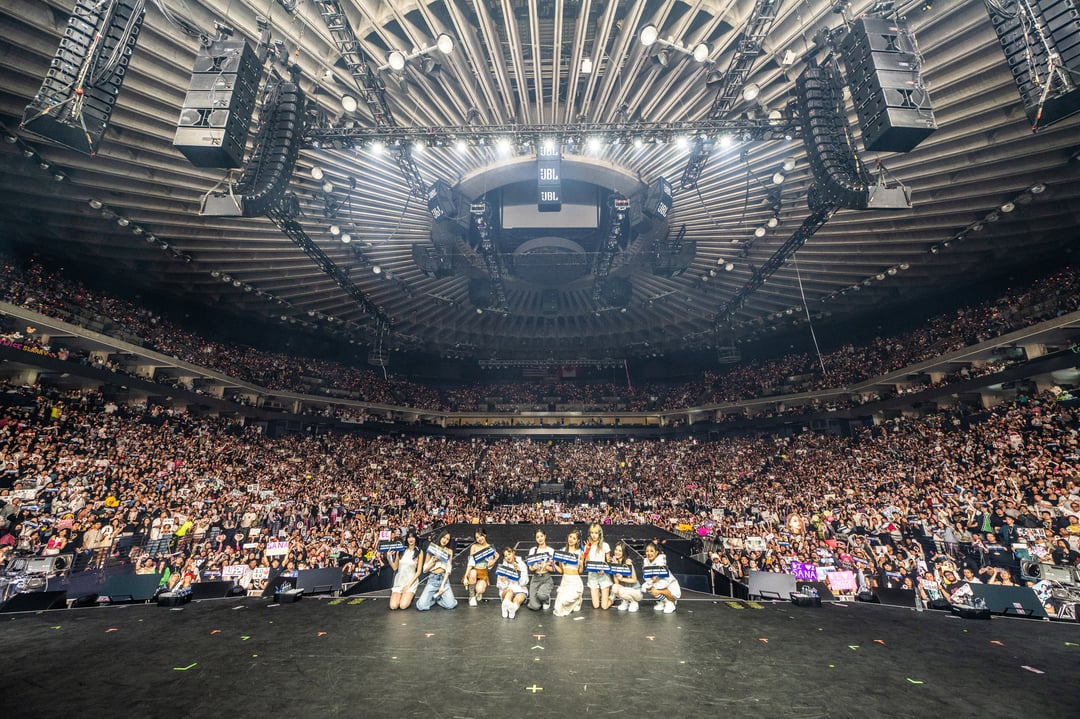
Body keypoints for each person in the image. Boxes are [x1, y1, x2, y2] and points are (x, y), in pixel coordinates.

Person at [416, 529, 457, 611]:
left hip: (443, 580)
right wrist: (433, 562)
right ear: (440, 537)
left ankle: (439, 599)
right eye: (444, 537)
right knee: (421, 606)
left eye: (447, 539)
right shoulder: (432, 549)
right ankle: (434, 599)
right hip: (432, 579)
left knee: (451, 605)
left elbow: (448, 569)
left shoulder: (449, 551)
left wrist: (442, 586)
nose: (445, 540)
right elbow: (425, 570)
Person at [551, 528, 584, 617]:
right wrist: (553, 564)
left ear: (577, 540)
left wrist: (581, 564)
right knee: (558, 608)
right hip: (565, 582)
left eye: (574, 538)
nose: (571, 539)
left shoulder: (580, 552)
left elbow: (580, 571)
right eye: (570, 537)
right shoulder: (562, 552)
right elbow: (561, 571)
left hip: (575, 582)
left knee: (566, 602)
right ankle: (575, 601)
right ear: (567, 537)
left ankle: (578, 599)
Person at [388, 530, 423, 610]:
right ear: (406, 539)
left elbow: (418, 572)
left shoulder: (419, 552)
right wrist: (388, 558)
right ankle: (400, 595)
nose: (411, 539)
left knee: (403, 606)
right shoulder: (400, 550)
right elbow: (395, 567)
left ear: (415, 539)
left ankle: (410, 595)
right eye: (409, 537)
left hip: (410, 583)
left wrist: (408, 586)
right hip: (399, 581)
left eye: (413, 537)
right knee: (393, 606)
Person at [642, 541, 681, 613]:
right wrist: (651, 582)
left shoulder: (661, 562)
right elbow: (646, 575)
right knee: (649, 588)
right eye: (647, 551)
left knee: (654, 590)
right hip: (658, 584)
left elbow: (665, 580)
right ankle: (662, 602)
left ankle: (669, 603)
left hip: (670, 587)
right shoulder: (646, 561)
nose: (649, 553)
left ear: (656, 552)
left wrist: (654, 582)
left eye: (651, 551)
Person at [463, 527, 496, 606]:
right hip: (473, 571)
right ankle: (471, 597)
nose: (479, 539)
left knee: (480, 589)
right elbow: (470, 563)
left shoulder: (490, 548)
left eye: (481, 536)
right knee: (473, 572)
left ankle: (478, 591)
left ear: (484, 535)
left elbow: (489, 566)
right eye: (477, 537)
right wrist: (465, 577)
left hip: (483, 572)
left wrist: (495, 559)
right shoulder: (474, 547)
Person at [583, 523, 613, 610]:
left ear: (599, 533)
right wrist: (587, 551)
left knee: (604, 606)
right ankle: (600, 595)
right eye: (592, 533)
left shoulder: (605, 545)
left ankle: (612, 597)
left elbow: (608, 562)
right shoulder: (587, 546)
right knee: (596, 606)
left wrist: (605, 570)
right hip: (592, 575)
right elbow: (586, 563)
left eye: (596, 533)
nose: (594, 535)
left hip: (603, 575)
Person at [526, 528, 555, 611]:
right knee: (534, 606)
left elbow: (553, 569)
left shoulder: (551, 550)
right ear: (535, 539)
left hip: (546, 577)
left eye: (541, 536)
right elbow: (530, 567)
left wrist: (546, 566)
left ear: (545, 536)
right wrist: (533, 567)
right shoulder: (532, 550)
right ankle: (538, 598)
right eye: (537, 537)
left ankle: (546, 600)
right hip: (535, 578)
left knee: (541, 595)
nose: (540, 538)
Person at [496, 546, 529, 619]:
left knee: (517, 599)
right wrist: (504, 582)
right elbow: (500, 586)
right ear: (504, 558)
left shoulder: (522, 565)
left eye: (509, 554)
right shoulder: (503, 567)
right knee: (509, 592)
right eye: (505, 556)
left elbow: (524, 582)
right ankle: (504, 608)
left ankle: (512, 610)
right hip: (507, 590)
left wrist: (519, 573)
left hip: (520, 590)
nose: (508, 557)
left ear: (513, 553)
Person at [608, 541, 642, 612]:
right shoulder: (615, 562)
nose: (617, 552)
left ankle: (633, 602)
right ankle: (625, 601)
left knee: (621, 590)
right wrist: (615, 568)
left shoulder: (627, 562)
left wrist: (622, 579)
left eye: (620, 551)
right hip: (625, 590)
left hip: (636, 591)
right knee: (614, 587)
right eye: (616, 550)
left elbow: (634, 580)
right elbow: (616, 583)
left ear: (624, 552)